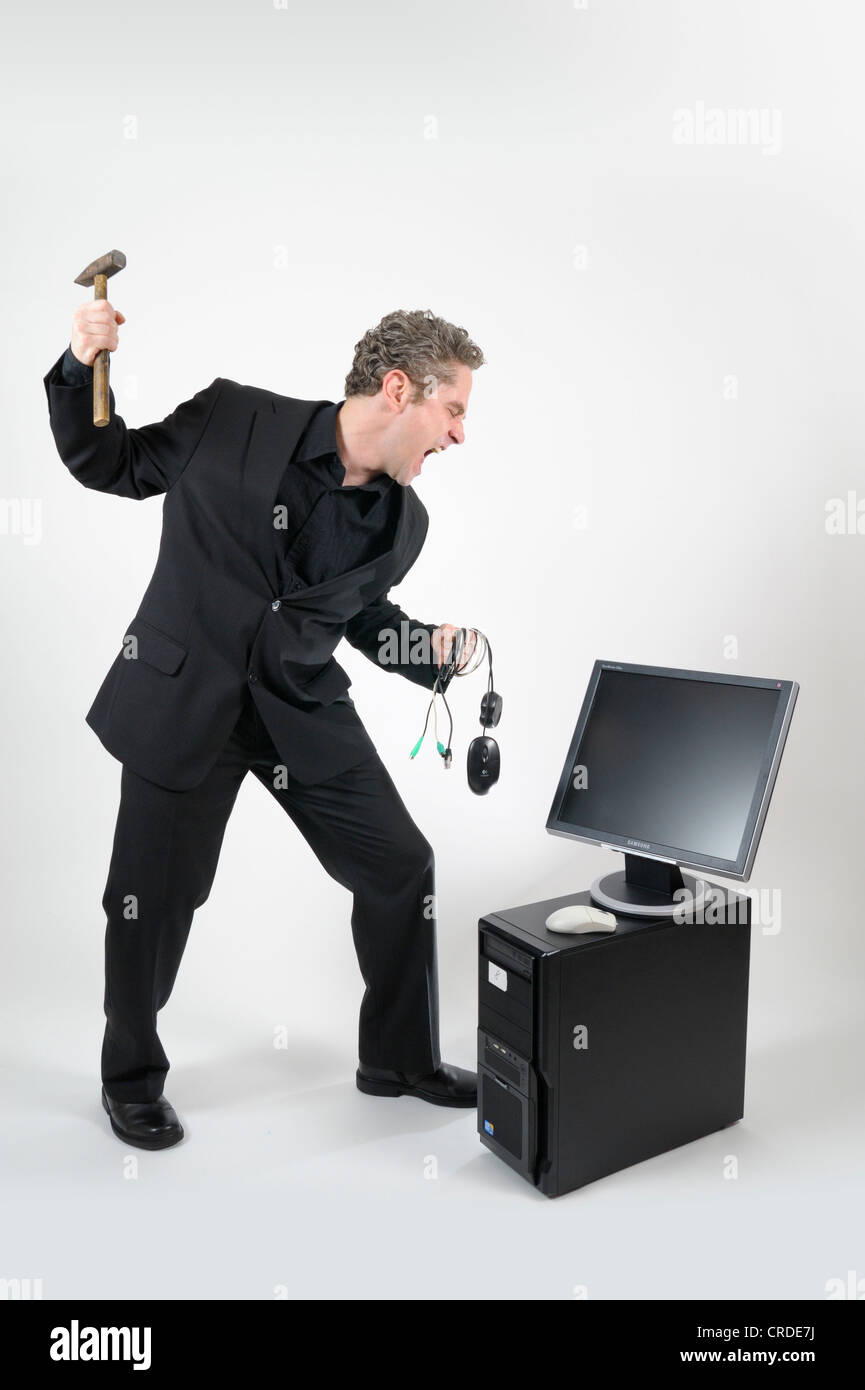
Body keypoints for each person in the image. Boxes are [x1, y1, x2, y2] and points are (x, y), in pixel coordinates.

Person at [43, 303, 485, 1150]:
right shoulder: (233, 415)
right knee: (151, 900)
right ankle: (128, 1077)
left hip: (299, 712)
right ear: (400, 390)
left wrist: (426, 651)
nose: (459, 435)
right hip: (185, 699)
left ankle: (398, 1060)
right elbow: (113, 461)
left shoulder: (404, 521)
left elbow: (361, 616)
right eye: (453, 410)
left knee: (401, 867)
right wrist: (79, 364)